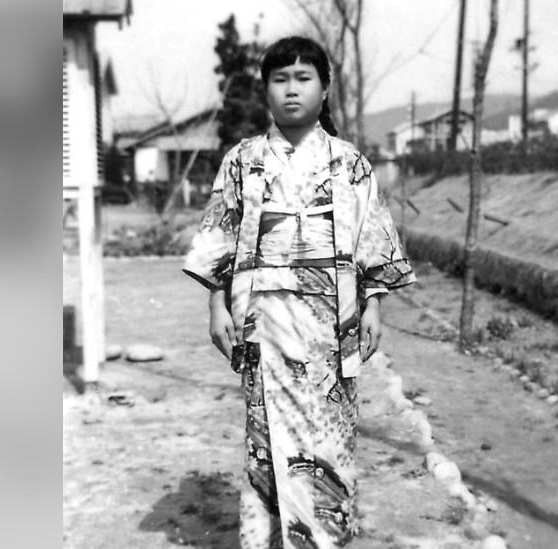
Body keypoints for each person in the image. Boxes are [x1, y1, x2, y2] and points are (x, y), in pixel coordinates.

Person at [183, 36, 415, 548]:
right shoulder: (242, 161)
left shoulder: (350, 163)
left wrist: (374, 304)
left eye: (303, 78)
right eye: (280, 79)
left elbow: (371, 239)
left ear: (324, 88)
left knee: (329, 437)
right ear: (266, 89)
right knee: (266, 441)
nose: (292, 90)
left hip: (332, 324)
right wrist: (215, 303)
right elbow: (219, 239)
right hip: (261, 322)